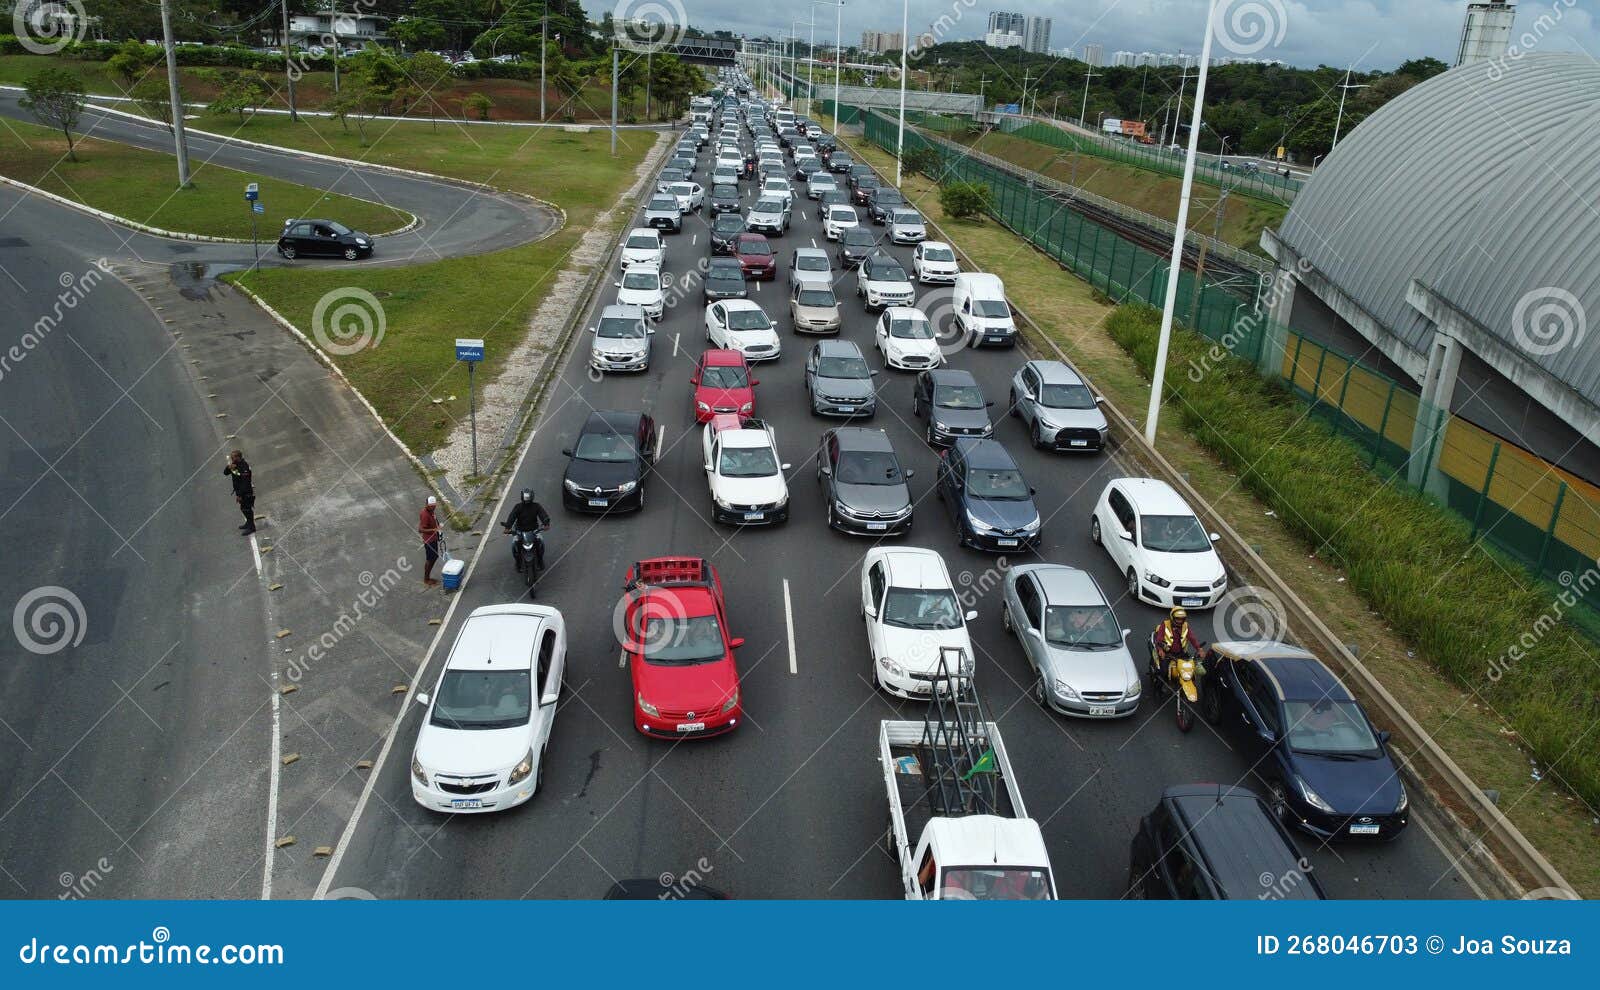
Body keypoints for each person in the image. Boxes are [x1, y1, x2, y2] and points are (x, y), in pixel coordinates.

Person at [501, 488, 551, 572]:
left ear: (531, 497)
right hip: (520, 531)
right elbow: (512, 517)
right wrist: (507, 527)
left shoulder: (536, 506)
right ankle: (517, 562)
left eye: (528, 498)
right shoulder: (518, 507)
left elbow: (543, 514)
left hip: (534, 530)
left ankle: (540, 560)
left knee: (540, 542)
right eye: (525, 498)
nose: (527, 500)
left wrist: (546, 523)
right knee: (514, 545)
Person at [1152, 606, 1202, 676]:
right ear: (1172, 617)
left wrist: (1199, 649)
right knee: (1163, 672)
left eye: (1182, 619)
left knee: (1191, 670)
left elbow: (1192, 638)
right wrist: (1160, 650)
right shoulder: (1165, 624)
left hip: (1181, 653)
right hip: (1167, 653)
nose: (1180, 621)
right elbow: (1159, 639)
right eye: (1177, 619)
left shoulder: (1185, 625)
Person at [223, 450, 255, 534]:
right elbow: (225, 473)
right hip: (239, 491)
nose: (231, 459)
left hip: (245, 491)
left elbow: (245, 482)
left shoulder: (244, 467)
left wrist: (240, 495)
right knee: (243, 508)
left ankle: (252, 527)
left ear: (238, 457)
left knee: (247, 509)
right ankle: (248, 523)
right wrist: (229, 467)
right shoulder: (235, 465)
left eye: (233, 457)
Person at [419, 495, 442, 587]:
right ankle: (426, 579)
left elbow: (435, 520)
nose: (433, 507)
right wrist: (434, 530)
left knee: (434, 557)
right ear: (427, 505)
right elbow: (421, 529)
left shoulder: (431, 511)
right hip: (429, 540)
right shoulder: (425, 514)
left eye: (434, 506)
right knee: (430, 559)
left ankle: (427, 576)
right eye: (431, 506)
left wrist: (438, 525)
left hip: (433, 538)